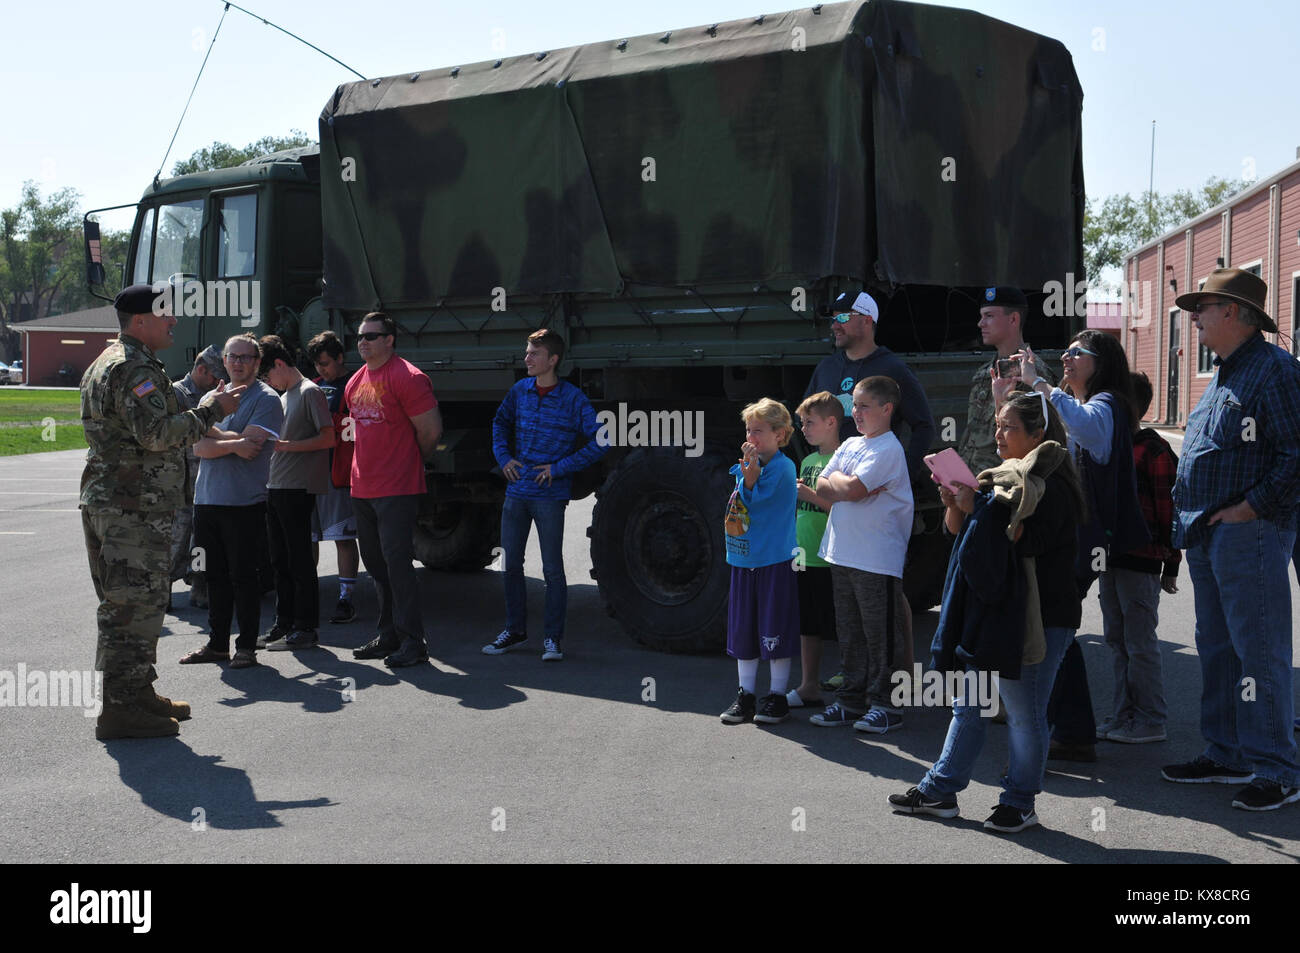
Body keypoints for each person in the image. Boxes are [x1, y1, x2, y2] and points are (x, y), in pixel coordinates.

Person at [889, 391, 1085, 832]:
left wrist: (975, 506)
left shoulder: (1050, 487)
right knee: (967, 705)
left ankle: (1020, 802)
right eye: (997, 424)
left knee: (1024, 713)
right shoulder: (997, 477)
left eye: (1009, 427)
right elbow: (959, 538)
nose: (998, 434)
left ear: (1038, 434)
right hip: (989, 613)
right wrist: (955, 503)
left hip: (1039, 619)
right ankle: (939, 792)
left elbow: (1016, 545)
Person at [1161, 268, 1300, 810]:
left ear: (1234, 314)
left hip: (1251, 532)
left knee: (1259, 650)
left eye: (1205, 306)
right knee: (1217, 648)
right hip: (1209, 531)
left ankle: (1278, 769)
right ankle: (1227, 753)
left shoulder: (1274, 371)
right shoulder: (1227, 373)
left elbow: (1296, 455)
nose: (1194, 317)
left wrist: (1250, 507)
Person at [80, 284, 243, 739]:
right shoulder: (131, 367)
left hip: (120, 503)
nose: (174, 321)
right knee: (129, 606)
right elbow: (156, 433)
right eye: (166, 314)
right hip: (129, 509)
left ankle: (137, 692)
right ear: (140, 322)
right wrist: (212, 408)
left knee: (137, 603)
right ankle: (119, 710)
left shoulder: (116, 362)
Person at [1016, 331, 1149, 761]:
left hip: (1086, 540)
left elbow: (1083, 427)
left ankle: (1070, 729)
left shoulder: (1106, 405)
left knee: (1053, 624)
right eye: (1066, 350)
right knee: (1056, 625)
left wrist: (1040, 383)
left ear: (1102, 362)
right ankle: (1069, 728)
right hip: (1073, 537)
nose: (1066, 357)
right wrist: (1017, 389)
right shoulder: (1084, 406)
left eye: (1077, 353)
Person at [483, 329, 607, 661]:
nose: (526, 358)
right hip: (517, 493)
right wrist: (504, 458)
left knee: (552, 569)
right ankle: (515, 630)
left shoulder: (572, 398)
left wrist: (560, 468)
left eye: (533, 354)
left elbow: (601, 441)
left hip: (550, 496)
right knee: (510, 565)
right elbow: (499, 423)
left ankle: (552, 638)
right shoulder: (520, 391)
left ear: (552, 360)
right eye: (527, 352)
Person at [808, 376, 913, 733]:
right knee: (850, 633)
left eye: (864, 406)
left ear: (886, 409)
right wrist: (844, 485)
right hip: (842, 554)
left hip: (876, 560)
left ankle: (888, 706)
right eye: (854, 405)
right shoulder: (852, 443)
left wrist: (843, 485)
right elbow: (822, 483)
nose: (856, 412)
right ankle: (851, 701)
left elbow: (848, 489)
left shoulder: (888, 449)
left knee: (881, 635)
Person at [179, 334, 284, 670]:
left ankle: (246, 647)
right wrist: (233, 442)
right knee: (213, 576)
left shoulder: (267, 399)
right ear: (223, 361)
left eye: (245, 357)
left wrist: (216, 436)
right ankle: (217, 644)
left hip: (244, 504)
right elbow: (197, 448)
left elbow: (252, 447)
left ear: (257, 362)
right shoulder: (213, 397)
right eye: (232, 356)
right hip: (207, 502)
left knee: (244, 577)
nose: (238, 362)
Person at [346, 312, 443, 668]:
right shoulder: (356, 380)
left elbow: (430, 431)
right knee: (375, 565)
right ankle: (388, 635)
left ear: (390, 339)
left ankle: (413, 642)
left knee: (398, 565)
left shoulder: (409, 377)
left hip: (396, 487)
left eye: (372, 336)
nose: (364, 342)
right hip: (363, 487)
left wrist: (407, 461)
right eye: (360, 336)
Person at [1097, 371, 1180, 744]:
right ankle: (1123, 714)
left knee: (1140, 643)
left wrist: (1171, 564)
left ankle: (1151, 719)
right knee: (1115, 640)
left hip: (1142, 559)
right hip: (1110, 560)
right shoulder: (1109, 446)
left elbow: (1170, 513)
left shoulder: (1155, 450)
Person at [719, 398, 800, 725]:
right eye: (748, 430)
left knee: (774, 628)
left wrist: (749, 475)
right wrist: (747, 471)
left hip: (774, 561)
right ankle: (746, 695)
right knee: (744, 630)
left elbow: (757, 501)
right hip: (744, 559)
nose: (751, 437)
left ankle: (777, 696)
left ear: (780, 435)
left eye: (759, 431)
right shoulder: (747, 465)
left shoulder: (783, 467)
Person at [804, 289, 936, 478]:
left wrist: (903, 473)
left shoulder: (893, 369)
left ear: (866, 320)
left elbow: (924, 426)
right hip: (825, 481)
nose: (834, 326)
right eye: (833, 319)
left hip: (868, 487)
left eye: (842, 318)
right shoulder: (826, 367)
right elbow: (804, 418)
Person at [255, 335, 334, 651]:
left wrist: (288, 446)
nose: (266, 382)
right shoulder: (285, 394)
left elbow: (328, 438)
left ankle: (306, 628)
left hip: (297, 488)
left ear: (278, 364)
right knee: (279, 561)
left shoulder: (309, 392)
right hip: (276, 487)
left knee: (300, 561)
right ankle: (283, 623)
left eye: (266, 375)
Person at [956, 286, 1058, 476]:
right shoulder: (983, 373)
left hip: (1005, 483)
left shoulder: (1036, 376)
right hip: (973, 482)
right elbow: (972, 432)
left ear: (1013, 319)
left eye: (989, 316)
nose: (980, 323)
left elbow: (1038, 442)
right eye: (981, 316)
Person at [787, 391, 843, 708]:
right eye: (802, 423)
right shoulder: (808, 460)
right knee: (807, 624)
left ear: (831, 422)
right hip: (803, 553)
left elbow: (841, 507)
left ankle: (851, 678)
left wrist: (806, 494)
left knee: (841, 622)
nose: (804, 429)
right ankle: (809, 684)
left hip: (833, 556)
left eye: (810, 423)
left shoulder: (844, 458)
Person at [168, 344, 228, 608]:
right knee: (176, 540)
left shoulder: (214, 396)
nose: (217, 382)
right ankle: (163, 590)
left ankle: (199, 586)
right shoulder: (177, 394)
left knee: (202, 541)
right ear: (201, 369)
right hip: (181, 482)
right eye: (214, 376)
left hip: (205, 482)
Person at [307, 330, 360, 623]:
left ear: (340, 358)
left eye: (325, 363)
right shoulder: (312, 387)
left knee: (342, 537)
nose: (321, 370)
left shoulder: (353, 386)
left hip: (338, 471)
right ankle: (309, 594)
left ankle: (346, 599)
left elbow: (357, 430)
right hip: (311, 471)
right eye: (317, 365)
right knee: (309, 537)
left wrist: (332, 425)